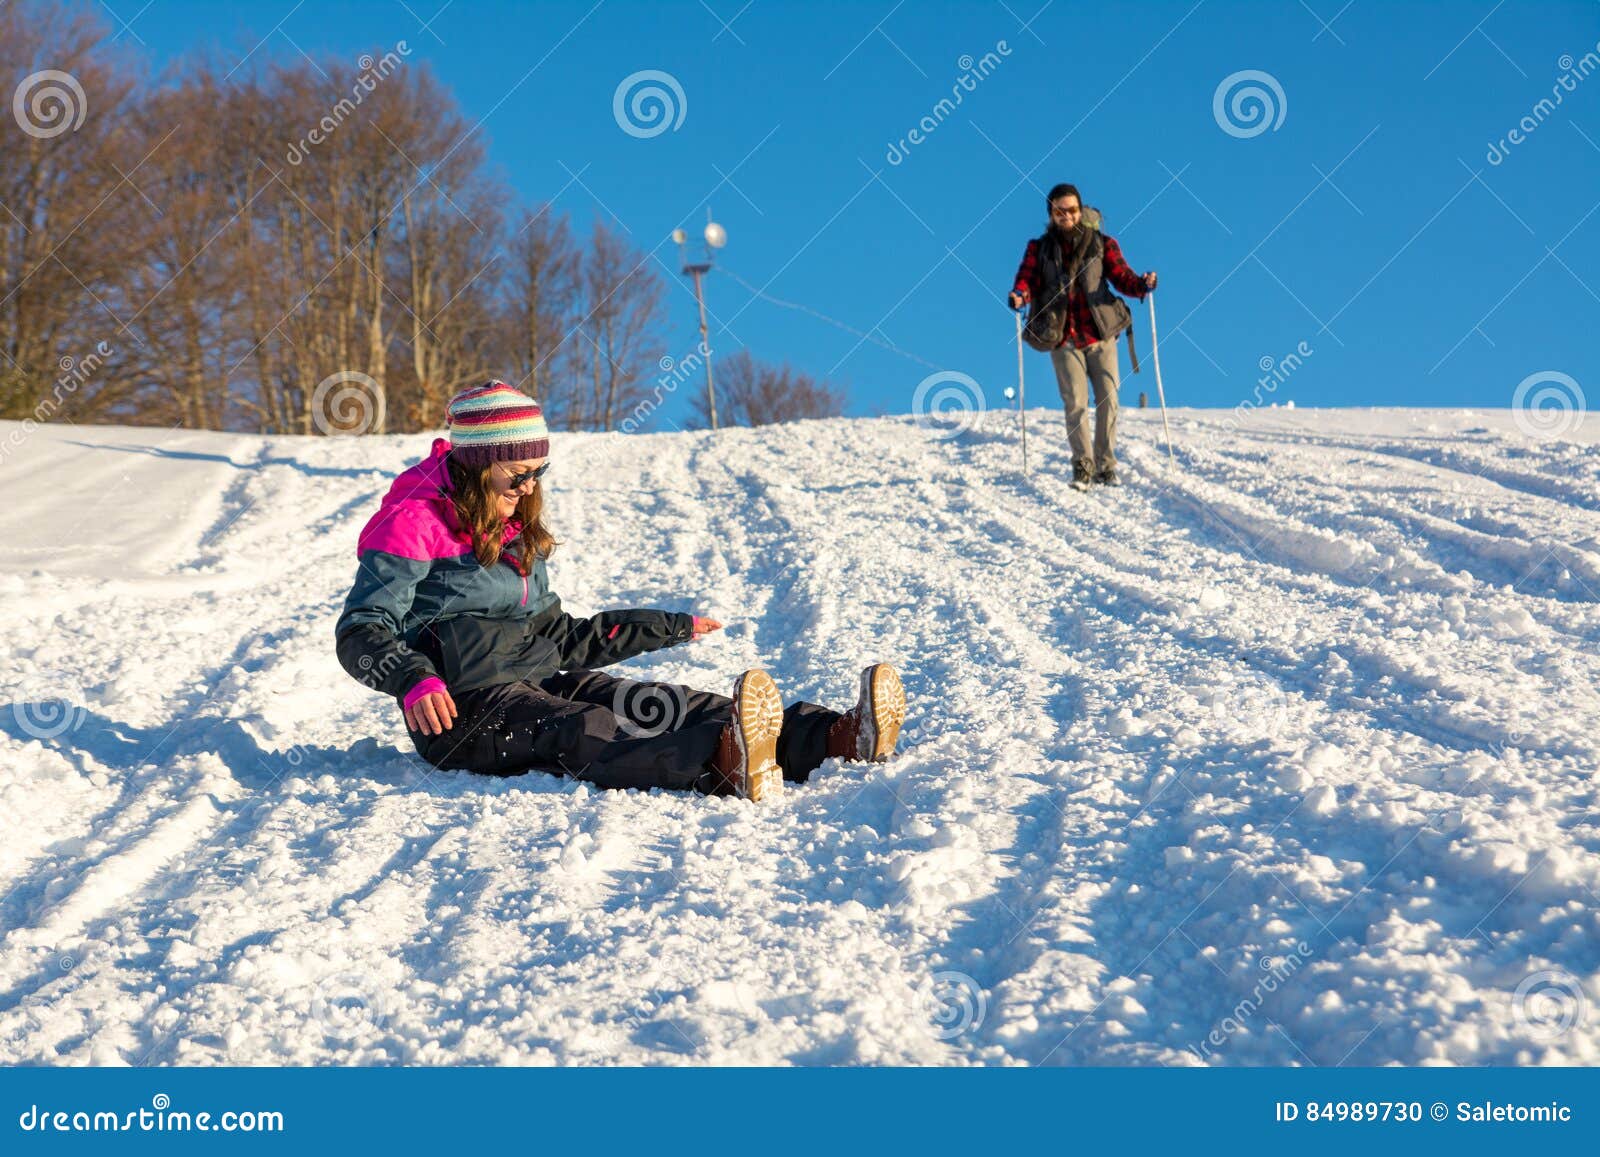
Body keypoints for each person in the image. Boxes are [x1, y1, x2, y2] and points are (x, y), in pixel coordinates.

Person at [334, 380, 907, 803]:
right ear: (478, 467)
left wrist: (665, 626)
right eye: (516, 474)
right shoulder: (412, 523)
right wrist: (413, 679)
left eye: (539, 471)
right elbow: (361, 630)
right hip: (465, 711)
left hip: (537, 676)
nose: (529, 485)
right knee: (582, 728)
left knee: (660, 702)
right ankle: (721, 758)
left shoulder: (516, 533)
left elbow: (561, 637)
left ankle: (832, 737)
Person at [1008, 183, 1158, 488]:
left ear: (1081, 210)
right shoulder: (1039, 249)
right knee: (1075, 402)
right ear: (1051, 214)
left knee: (1108, 399)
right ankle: (1082, 466)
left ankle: (1106, 465)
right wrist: (1020, 296)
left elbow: (1122, 277)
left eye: (1072, 210)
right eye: (1059, 211)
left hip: (1099, 333)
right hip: (1061, 336)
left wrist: (1142, 285)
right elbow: (1026, 280)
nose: (1066, 216)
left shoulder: (1103, 243)